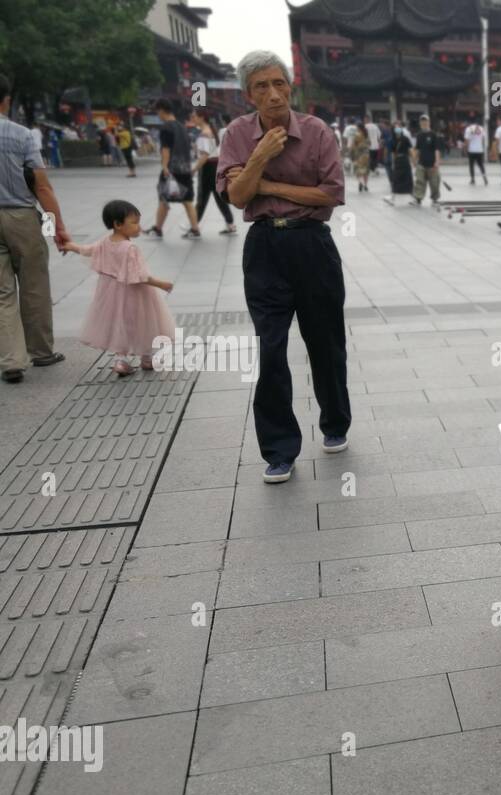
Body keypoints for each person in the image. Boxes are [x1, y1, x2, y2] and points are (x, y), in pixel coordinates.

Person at [217, 49, 350, 484]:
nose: (274, 95)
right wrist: (259, 157)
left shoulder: (316, 132)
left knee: (325, 342)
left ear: (289, 87)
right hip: (265, 250)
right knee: (270, 348)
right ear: (248, 95)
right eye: (262, 86)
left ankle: (334, 423)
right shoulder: (236, 134)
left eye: (279, 84)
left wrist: (268, 184)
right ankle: (279, 450)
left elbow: (329, 194)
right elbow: (237, 197)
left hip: (312, 244)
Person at [0, 75, 69, 384]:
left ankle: (11, 360)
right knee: (35, 284)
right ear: (7, 100)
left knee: (2, 293)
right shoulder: (22, 135)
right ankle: (40, 352)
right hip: (22, 217)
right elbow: (42, 187)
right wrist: (57, 228)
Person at [63, 200, 175, 376]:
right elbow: (141, 276)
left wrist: (70, 246)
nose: (139, 227)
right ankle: (146, 358)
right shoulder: (130, 248)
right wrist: (162, 284)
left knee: (120, 324)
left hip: (111, 294)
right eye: (134, 223)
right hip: (135, 294)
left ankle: (121, 361)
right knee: (142, 322)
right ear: (117, 224)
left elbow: (87, 250)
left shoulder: (104, 242)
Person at [144, 99, 201, 239]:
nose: (158, 115)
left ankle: (157, 230)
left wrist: (164, 166)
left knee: (163, 198)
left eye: (158, 112)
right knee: (187, 200)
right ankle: (195, 230)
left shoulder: (166, 127)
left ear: (162, 110)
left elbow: (165, 149)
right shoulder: (182, 127)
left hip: (172, 169)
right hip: (185, 169)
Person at [192, 115, 237, 234]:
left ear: (202, 117)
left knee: (202, 198)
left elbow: (205, 154)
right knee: (219, 197)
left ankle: (194, 227)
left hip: (207, 167)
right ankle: (230, 224)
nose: (193, 118)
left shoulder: (205, 133)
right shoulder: (212, 131)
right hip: (216, 165)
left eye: (194, 116)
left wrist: (194, 169)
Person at [411, 114, 441, 205]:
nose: (424, 123)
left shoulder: (433, 135)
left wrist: (437, 162)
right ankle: (418, 198)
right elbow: (417, 149)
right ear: (420, 123)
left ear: (429, 122)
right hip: (421, 163)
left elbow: (437, 149)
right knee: (419, 181)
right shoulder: (419, 135)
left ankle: (435, 199)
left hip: (432, 163)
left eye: (425, 121)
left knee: (434, 183)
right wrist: (414, 160)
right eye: (422, 121)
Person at [383, 121, 414, 204]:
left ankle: (413, 197)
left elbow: (410, 150)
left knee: (407, 178)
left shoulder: (404, 139)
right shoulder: (392, 139)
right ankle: (393, 198)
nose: (397, 128)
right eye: (396, 127)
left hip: (404, 160)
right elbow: (393, 153)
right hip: (399, 161)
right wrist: (393, 163)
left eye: (399, 126)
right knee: (397, 179)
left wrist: (414, 161)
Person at [464, 113, 487, 184]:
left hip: (471, 150)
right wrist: (481, 147)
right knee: (481, 165)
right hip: (479, 150)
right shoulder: (481, 128)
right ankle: (484, 177)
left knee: (471, 165)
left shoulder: (468, 129)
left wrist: (465, 149)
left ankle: (473, 179)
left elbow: (467, 140)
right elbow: (483, 139)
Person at [349, 125, 371, 192]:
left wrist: (351, 154)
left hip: (358, 156)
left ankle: (361, 183)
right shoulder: (367, 135)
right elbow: (370, 144)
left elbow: (353, 146)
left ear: (359, 128)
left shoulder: (357, 135)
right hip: (366, 155)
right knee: (366, 171)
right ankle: (365, 185)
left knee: (358, 171)